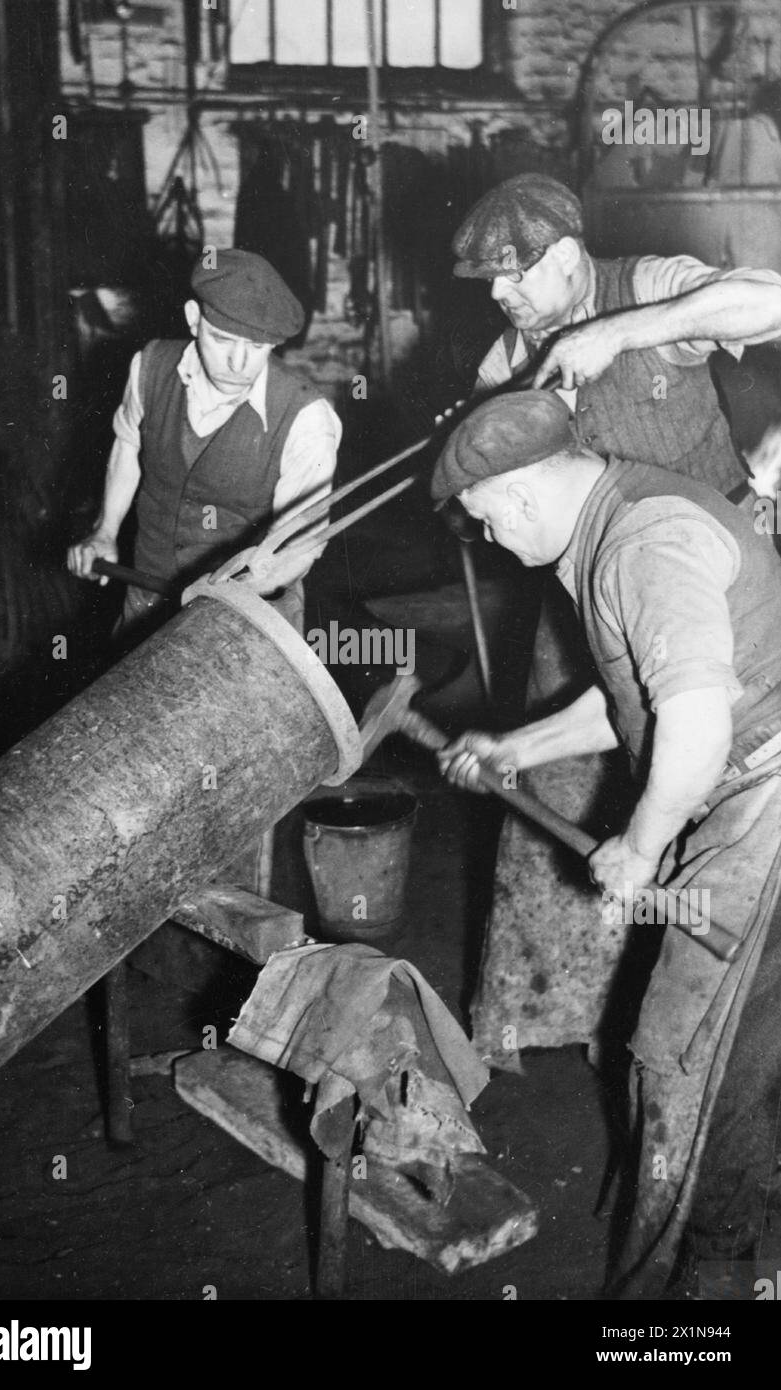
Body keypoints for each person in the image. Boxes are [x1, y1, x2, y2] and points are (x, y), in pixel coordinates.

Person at [432, 390, 781, 1297]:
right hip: (751, 792)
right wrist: (516, 748)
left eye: (484, 523)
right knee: (738, 1054)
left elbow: (696, 721)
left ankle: (688, 1311)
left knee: (684, 1061)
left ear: (513, 492)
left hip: (764, 802)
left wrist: (639, 844)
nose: (494, 544)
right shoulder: (618, 515)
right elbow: (632, 690)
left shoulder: (638, 545)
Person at [452, 172, 781, 497]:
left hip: (720, 536)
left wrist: (615, 333)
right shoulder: (503, 360)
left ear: (565, 255)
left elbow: (772, 304)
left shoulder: (647, 287)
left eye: (515, 275)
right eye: (490, 279)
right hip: (617, 547)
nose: (497, 292)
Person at [67, 249, 341, 636]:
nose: (238, 363)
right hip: (146, 600)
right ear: (194, 319)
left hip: (251, 623)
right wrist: (105, 531)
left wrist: (233, 594)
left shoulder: (306, 417)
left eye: (257, 348)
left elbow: (299, 544)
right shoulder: (150, 367)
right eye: (224, 340)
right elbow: (127, 445)